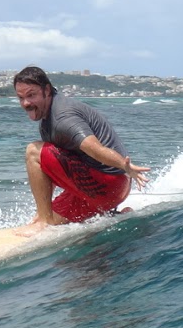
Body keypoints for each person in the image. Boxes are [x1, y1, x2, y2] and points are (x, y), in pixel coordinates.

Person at [13, 66, 150, 236]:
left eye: (31, 95)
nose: (26, 103)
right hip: (113, 188)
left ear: (46, 90)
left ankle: (44, 222)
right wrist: (44, 209)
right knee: (53, 218)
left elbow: (94, 148)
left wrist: (125, 166)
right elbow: (52, 170)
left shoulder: (63, 118)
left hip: (107, 183)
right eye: (21, 98)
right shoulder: (48, 117)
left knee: (33, 151)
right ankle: (115, 215)